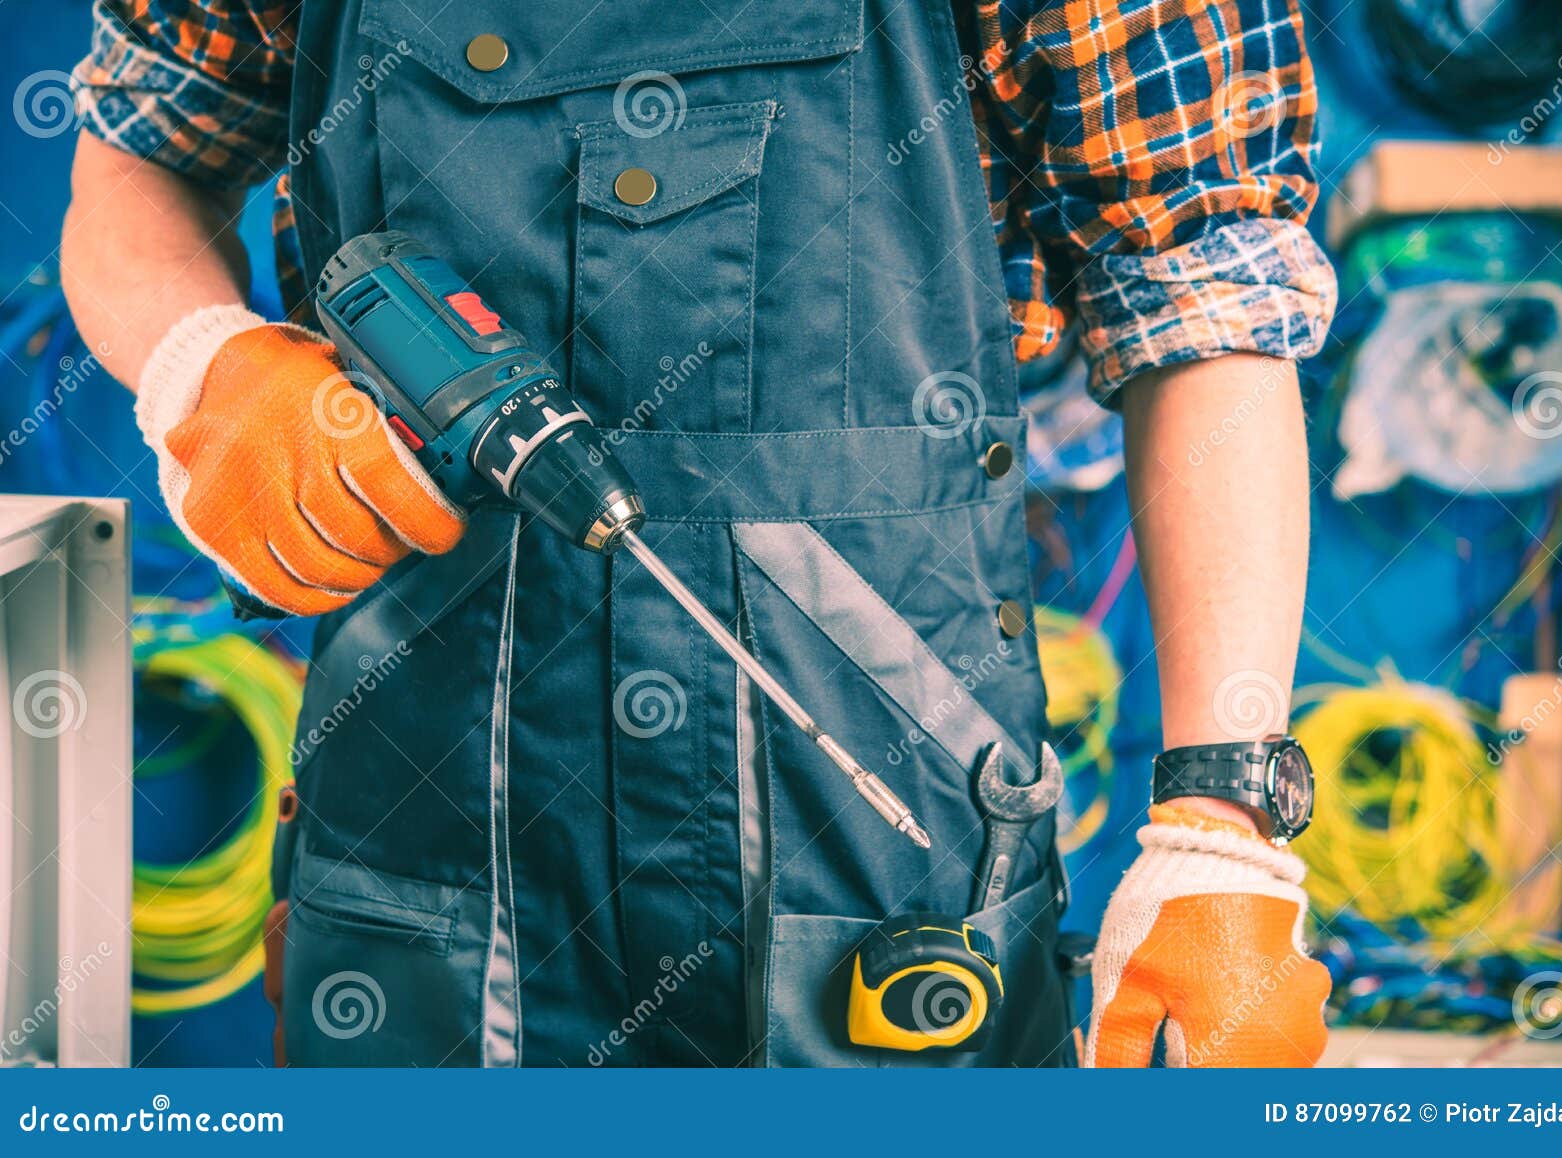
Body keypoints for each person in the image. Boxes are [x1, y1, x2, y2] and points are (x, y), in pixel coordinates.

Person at [64, 0, 1336, 1066]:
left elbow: (1203, 291)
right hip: (425, 821)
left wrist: (1219, 826)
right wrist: (205, 364)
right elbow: (134, 153)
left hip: (878, 838)